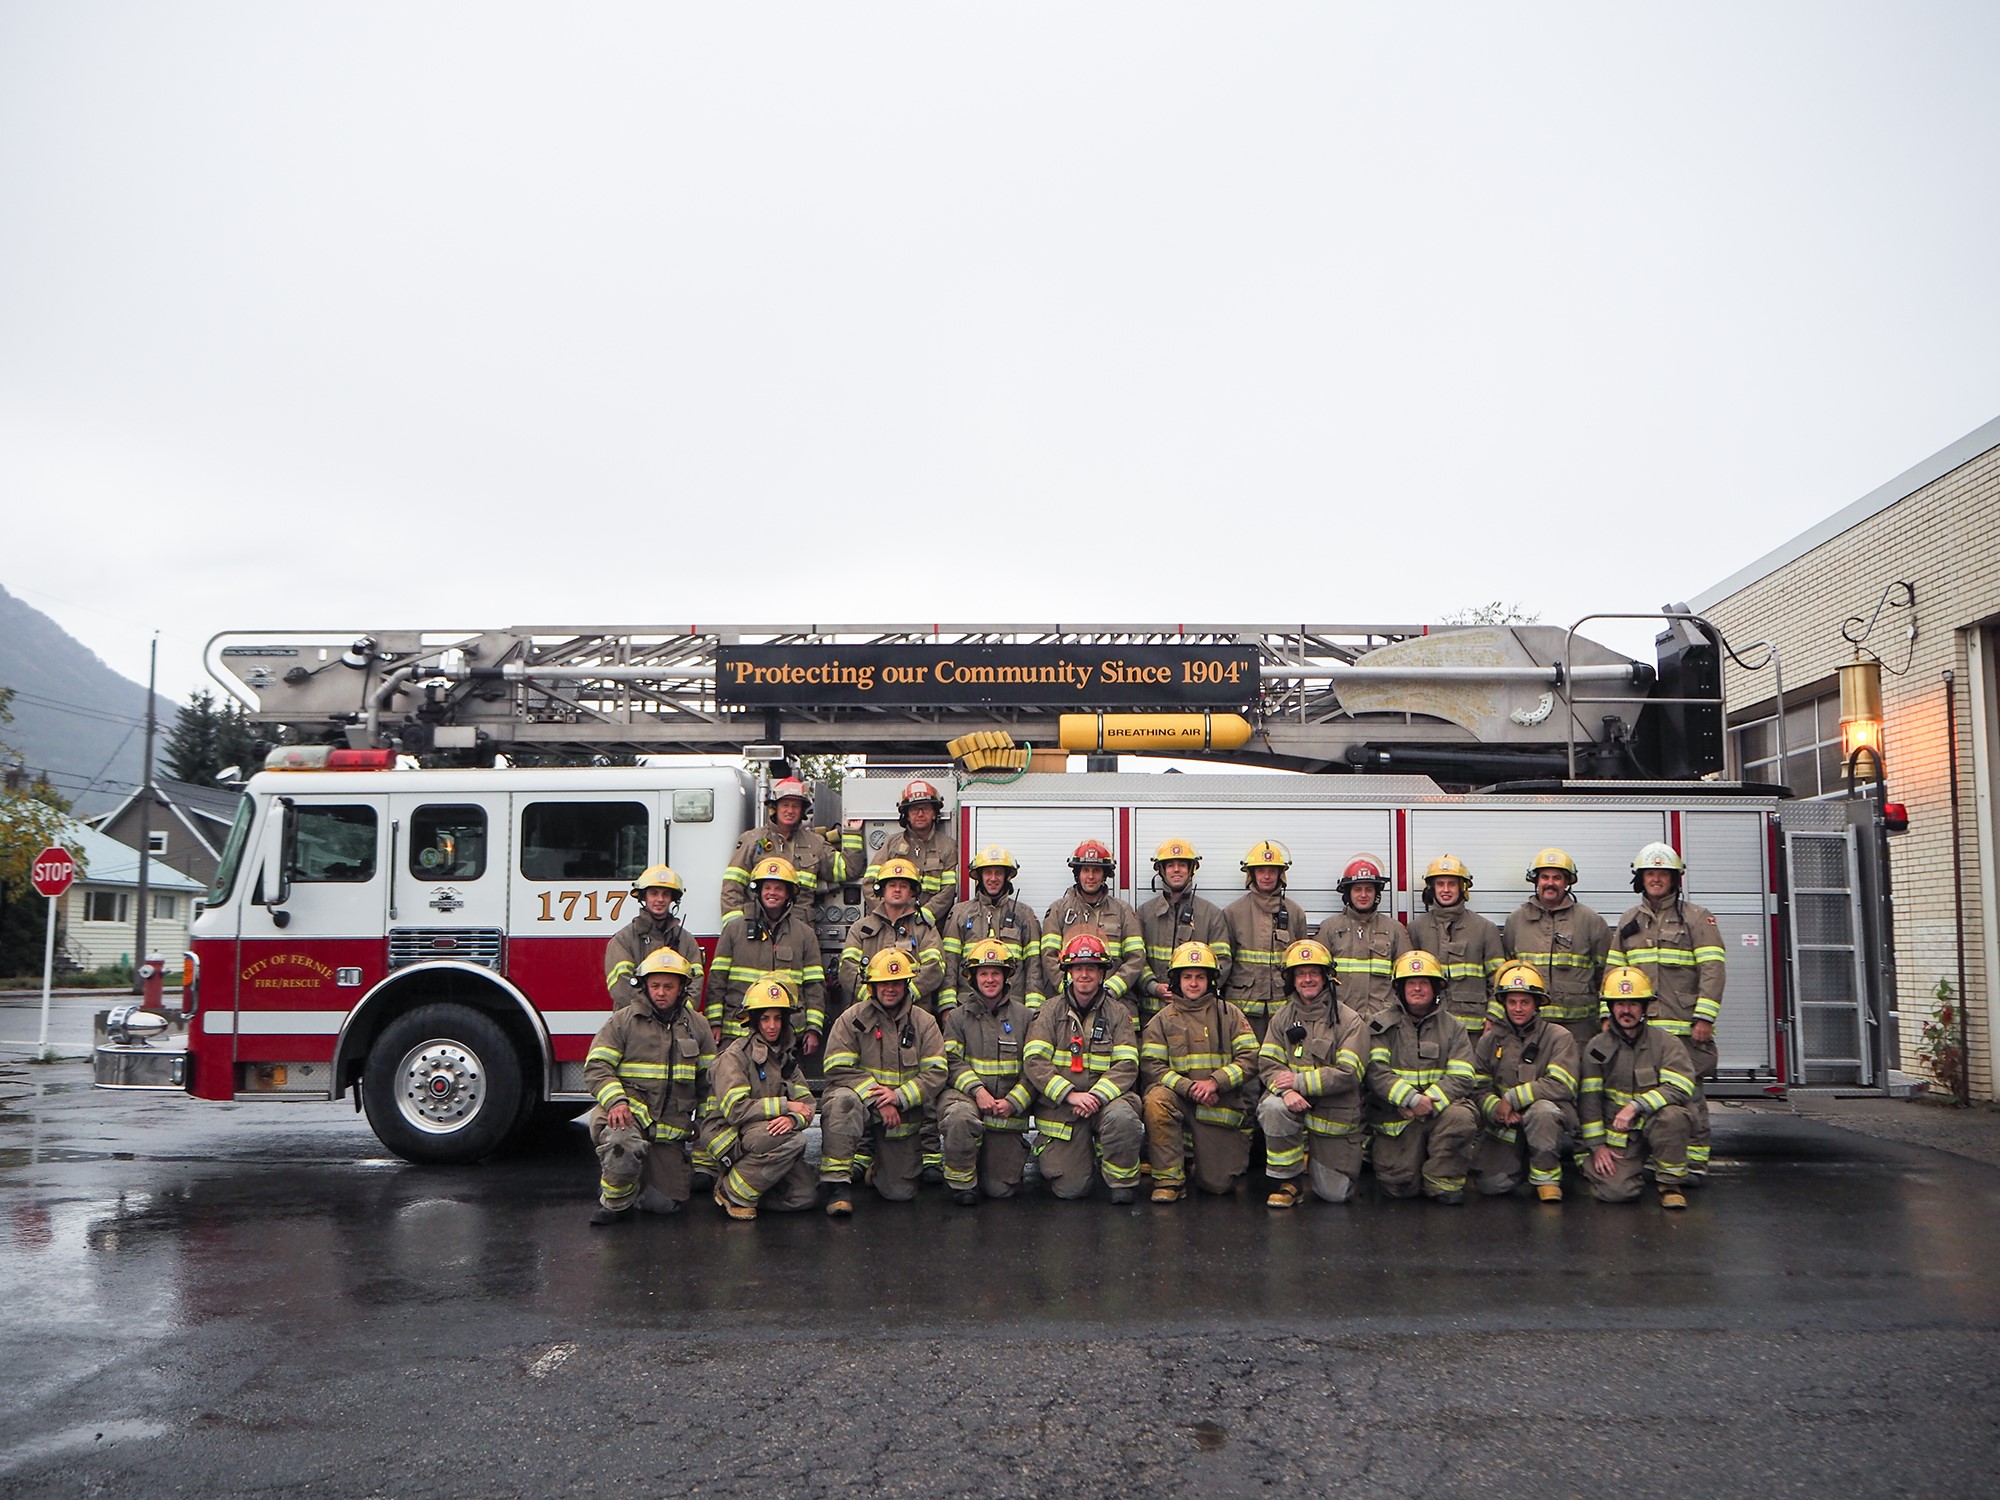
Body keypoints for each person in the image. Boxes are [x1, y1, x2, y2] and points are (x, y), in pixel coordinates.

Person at [1609, 842, 1727, 1181]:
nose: (1656, 879)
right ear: (1640, 879)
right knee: (1644, 1092)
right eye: (1650, 873)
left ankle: (1693, 1163)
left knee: (1689, 1096)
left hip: (1685, 1028)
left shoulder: (1696, 918)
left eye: (1663, 873)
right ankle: (1657, 1157)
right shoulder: (1629, 921)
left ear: (1676, 879)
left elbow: (1713, 970)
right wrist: (1609, 1017)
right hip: (1642, 1031)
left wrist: (1704, 1017)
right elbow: (1615, 972)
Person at [584, 948, 714, 1225]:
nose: (661, 992)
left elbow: (709, 1083)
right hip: (628, 1116)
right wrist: (616, 1101)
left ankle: (635, 1178)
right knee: (621, 1144)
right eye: (655, 985)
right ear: (645, 985)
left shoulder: (698, 1027)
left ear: (682, 988)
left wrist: (703, 1124)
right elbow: (597, 1066)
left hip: (670, 1131)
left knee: (664, 1205)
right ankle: (616, 1203)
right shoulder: (623, 1021)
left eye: (669, 986)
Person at [818, 949, 949, 1215]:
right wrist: (880, 1099)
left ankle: (877, 1166)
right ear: (872, 986)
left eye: (897, 982)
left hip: (900, 1120)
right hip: (865, 1111)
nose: (890, 989)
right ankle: (837, 1187)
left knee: (900, 1193)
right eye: (884, 983)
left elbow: (936, 1072)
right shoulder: (852, 1018)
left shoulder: (924, 1023)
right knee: (841, 1102)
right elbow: (836, 1067)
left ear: (906, 984)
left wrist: (899, 1097)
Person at [1023, 932, 1144, 1202]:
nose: (1085, 975)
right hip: (1064, 1106)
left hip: (1106, 1102)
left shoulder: (1118, 1013)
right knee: (1071, 1189)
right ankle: (1083, 1156)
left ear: (1102, 974)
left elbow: (1126, 1064)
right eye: (1078, 968)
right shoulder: (1049, 1011)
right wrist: (1070, 1094)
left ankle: (1120, 1183)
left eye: (1091, 968)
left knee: (1123, 1118)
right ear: (1069, 972)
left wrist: (1097, 1096)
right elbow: (1034, 1060)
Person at [1139, 941, 1259, 1202]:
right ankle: (1169, 1180)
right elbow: (1152, 1067)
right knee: (1155, 1100)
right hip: (1179, 1099)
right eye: (1187, 977)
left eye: (1200, 977)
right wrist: (1189, 1087)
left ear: (1210, 980)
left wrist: (1216, 1082)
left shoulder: (1230, 1014)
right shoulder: (1162, 1019)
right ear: (1176, 980)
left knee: (1218, 1185)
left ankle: (1204, 1162)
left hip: (1218, 1104)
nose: (1193, 983)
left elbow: (1250, 1058)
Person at [1258, 939, 1367, 1208]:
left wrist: (1299, 1082)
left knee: (1335, 1195)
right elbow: (1268, 1063)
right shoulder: (1282, 1018)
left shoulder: (1350, 1020)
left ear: (1326, 976)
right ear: (1291, 980)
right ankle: (1289, 1183)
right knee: (1273, 1106)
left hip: (1334, 1116)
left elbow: (1349, 1073)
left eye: (1314, 973)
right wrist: (1286, 1091)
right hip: (1292, 1104)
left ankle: (1321, 1165)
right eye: (1300, 973)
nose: (1307, 979)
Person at [1365, 950, 1481, 1203]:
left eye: (1424, 982)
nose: (1417, 988)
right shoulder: (1380, 1025)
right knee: (1399, 1187)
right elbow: (1376, 1072)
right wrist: (1409, 1100)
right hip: (1396, 1114)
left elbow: (1463, 1075)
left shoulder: (1454, 1027)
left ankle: (1443, 1183)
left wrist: (1426, 1101)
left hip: (1440, 1110)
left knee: (1461, 1117)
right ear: (1400, 988)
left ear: (1436, 988)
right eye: (1411, 983)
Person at [1579, 966, 1697, 1210]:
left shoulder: (1666, 1043)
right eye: (1620, 1004)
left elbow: (1681, 1086)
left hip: (1656, 1123)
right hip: (1620, 1136)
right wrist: (1597, 1146)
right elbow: (1588, 1101)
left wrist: (1636, 1105)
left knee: (1674, 1116)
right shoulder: (1596, 1047)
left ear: (1644, 1007)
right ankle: (1603, 1168)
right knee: (1616, 1193)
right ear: (1610, 1007)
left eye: (1633, 1004)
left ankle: (1669, 1183)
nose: (1626, 1011)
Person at [709, 978, 820, 1220]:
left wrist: (792, 1118)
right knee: (794, 1142)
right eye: (766, 1019)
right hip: (731, 1132)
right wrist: (784, 1105)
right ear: (755, 1021)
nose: (772, 1026)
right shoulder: (735, 1056)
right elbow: (735, 1110)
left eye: (778, 1018)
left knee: (804, 1197)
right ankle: (731, 1192)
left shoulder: (784, 1058)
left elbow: (808, 1105)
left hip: (765, 1133)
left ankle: (754, 1191)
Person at [1468, 961, 1579, 1202]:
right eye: (1512, 1002)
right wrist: (1497, 1109)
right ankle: (1521, 1163)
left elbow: (1562, 1084)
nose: (1518, 1008)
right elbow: (1478, 1088)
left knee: (1543, 1112)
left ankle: (1547, 1179)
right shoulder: (1490, 1041)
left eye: (1525, 1002)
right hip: (1505, 1123)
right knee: (1490, 1185)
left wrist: (1512, 1098)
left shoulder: (1559, 1037)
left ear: (1537, 1003)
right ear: (1504, 1004)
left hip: (1545, 1117)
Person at [937, 938, 1035, 1205]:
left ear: (1006, 977)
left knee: (1000, 1189)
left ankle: (992, 1161)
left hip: (1007, 1108)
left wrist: (1015, 1101)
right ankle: (962, 1184)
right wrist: (977, 1091)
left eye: (995, 973)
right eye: (983, 973)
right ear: (973, 978)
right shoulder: (958, 1017)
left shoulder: (1025, 1018)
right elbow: (951, 1061)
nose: (990, 979)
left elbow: (1036, 1067)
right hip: (966, 1099)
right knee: (958, 1117)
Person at [707, 855, 827, 1050]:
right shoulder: (734, 930)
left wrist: (813, 1029)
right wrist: (714, 1023)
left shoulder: (805, 934)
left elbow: (814, 987)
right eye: (767, 888)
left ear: (789, 894)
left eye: (779, 888)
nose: (772, 893)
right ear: (758, 891)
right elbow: (717, 981)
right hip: (738, 1033)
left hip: (786, 1035)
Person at [1504, 848, 1611, 1051]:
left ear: (1567, 882)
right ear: (1536, 881)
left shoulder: (1590, 921)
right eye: (1544, 877)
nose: (1550, 883)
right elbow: (1507, 973)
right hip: (1530, 1028)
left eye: (1557, 877)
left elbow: (1606, 974)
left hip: (1580, 1029)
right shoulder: (1516, 921)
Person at [720, 775, 844, 925]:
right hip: (758, 928)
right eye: (785, 805)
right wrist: (736, 927)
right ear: (775, 808)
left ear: (802, 810)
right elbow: (732, 887)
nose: (790, 810)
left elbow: (847, 869)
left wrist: (853, 832)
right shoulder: (752, 840)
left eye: (795, 806)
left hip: (799, 931)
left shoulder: (815, 843)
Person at [1136, 838, 1234, 1024]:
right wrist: (1153, 987)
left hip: (1198, 1015)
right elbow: (1136, 958)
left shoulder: (1211, 914)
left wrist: (1192, 991)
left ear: (1191, 870)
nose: (1176, 869)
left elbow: (1222, 961)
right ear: (1162, 871)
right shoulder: (1144, 914)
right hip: (1152, 1014)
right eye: (1170, 865)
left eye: (1182, 864)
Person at [1039, 839, 1146, 1005]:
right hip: (1068, 1004)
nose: (1090, 876)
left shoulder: (1123, 911)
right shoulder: (1058, 910)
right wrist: (1072, 989)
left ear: (1105, 874)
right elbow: (1049, 956)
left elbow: (1136, 957)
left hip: (1116, 1002)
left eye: (1096, 870)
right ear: (1077, 873)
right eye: (1085, 870)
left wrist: (1111, 989)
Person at [1222, 839, 1311, 1041]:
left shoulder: (1295, 913)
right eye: (1261, 870)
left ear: (1281, 874)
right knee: (1245, 1059)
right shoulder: (1233, 912)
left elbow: (1303, 964)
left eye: (1272, 870)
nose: (1267, 875)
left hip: (1284, 1007)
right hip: (1242, 1008)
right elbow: (1224, 962)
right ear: (1251, 873)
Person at [1407, 854, 1504, 1039]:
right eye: (1440, 884)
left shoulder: (1485, 929)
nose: (1446, 890)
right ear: (1431, 888)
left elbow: (1499, 982)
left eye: (1452, 884)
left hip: (1474, 1032)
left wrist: (1493, 1018)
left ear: (1463, 888)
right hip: (1428, 1029)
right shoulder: (1417, 929)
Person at [939, 845, 1044, 1012]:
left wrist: (1032, 1009)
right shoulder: (960, 913)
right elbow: (950, 961)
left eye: (998, 873)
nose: (993, 878)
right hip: (968, 1005)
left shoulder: (1024, 914)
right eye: (988, 873)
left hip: (1014, 1007)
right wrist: (947, 1006)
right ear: (979, 877)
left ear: (1006, 877)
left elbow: (1034, 965)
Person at [839, 857, 946, 1011]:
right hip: (868, 1014)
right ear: (882, 890)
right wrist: (871, 997)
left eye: (903, 885)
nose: (897, 889)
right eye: (892, 885)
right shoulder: (860, 929)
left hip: (913, 1013)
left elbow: (935, 967)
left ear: (912, 892)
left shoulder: (924, 929)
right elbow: (847, 969)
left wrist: (905, 996)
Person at [1314, 855, 1412, 1022]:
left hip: (1384, 1022)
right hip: (1339, 1020)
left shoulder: (1395, 930)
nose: (1363, 894)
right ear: (1348, 893)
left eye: (1369, 889)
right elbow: (1314, 976)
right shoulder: (1329, 928)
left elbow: (1409, 978)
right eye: (1357, 889)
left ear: (1377, 893)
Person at [603, 864, 707, 1015]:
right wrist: (654, 1013)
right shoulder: (623, 940)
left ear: (673, 899)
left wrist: (679, 1013)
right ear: (643, 897)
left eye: (665, 894)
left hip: (676, 1025)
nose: (660, 899)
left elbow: (696, 982)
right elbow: (620, 986)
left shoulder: (686, 940)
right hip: (635, 1023)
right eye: (654, 893)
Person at [862, 779, 960, 926]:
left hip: (929, 926)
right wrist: (886, 914)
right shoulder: (891, 844)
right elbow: (869, 883)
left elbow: (948, 890)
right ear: (906, 815)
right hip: (890, 925)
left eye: (925, 809)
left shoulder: (948, 847)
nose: (920, 814)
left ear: (934, 814)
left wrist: (923, 916)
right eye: (914, 809)